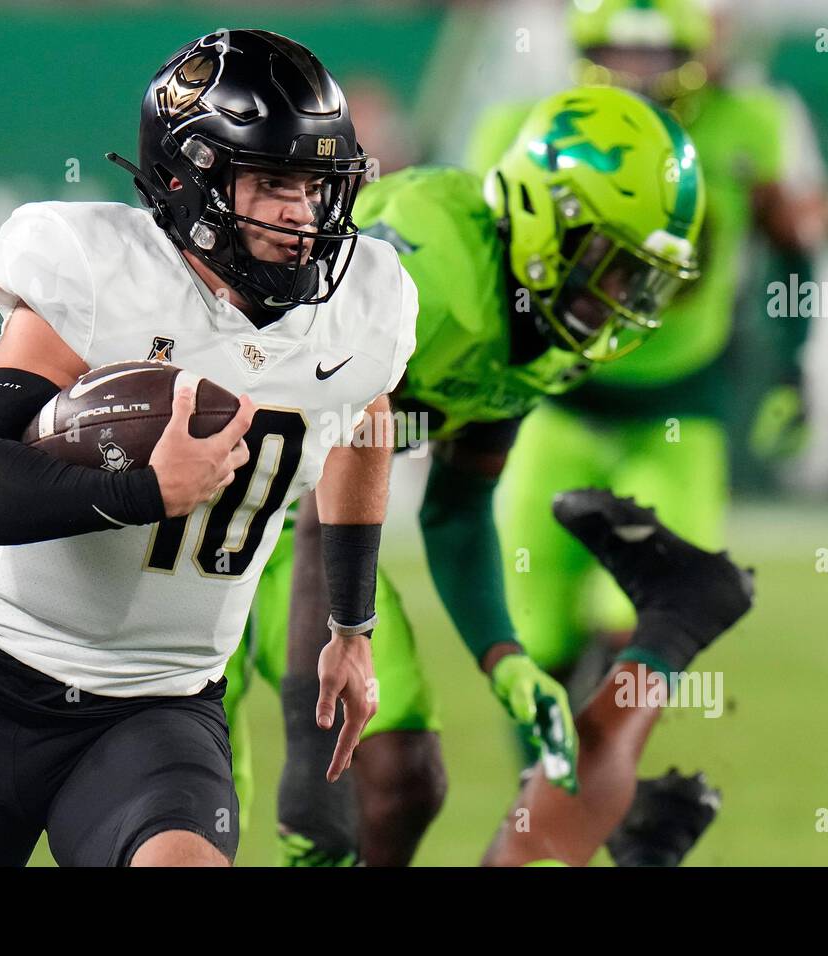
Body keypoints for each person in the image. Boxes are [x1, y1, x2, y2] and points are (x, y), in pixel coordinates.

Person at [0, 29, 417, 867]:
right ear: (191, 177)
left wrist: (351, 624)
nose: (303, 215)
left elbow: (361, 423)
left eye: (317, 186)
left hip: (160, 704)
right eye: (273, 184)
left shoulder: (366, 300)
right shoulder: (94, 267)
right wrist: (145, 489)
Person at [229, 84, 715, 866]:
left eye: (637, 281)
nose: (617, 299)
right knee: (213, 793)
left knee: (401, 777)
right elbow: (334, 440)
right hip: (217, 493)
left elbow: (457, 508)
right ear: (544, 213)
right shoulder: (434, 271)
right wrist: (320, 687)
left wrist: (505, 657)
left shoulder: (539, 336)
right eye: (610, 266)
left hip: (310, 507)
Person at [466, 0, 828, 864]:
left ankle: (578, 817)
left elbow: (796, 241)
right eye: (620, 47)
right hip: (557, 406)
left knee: (641, 628)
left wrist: (794, 360)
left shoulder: (750, 122)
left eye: (656, 47)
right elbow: (484, 259)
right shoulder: (526, 127)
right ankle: (579, 815)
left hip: (678, 412)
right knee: (532, 646)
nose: (638, 65)